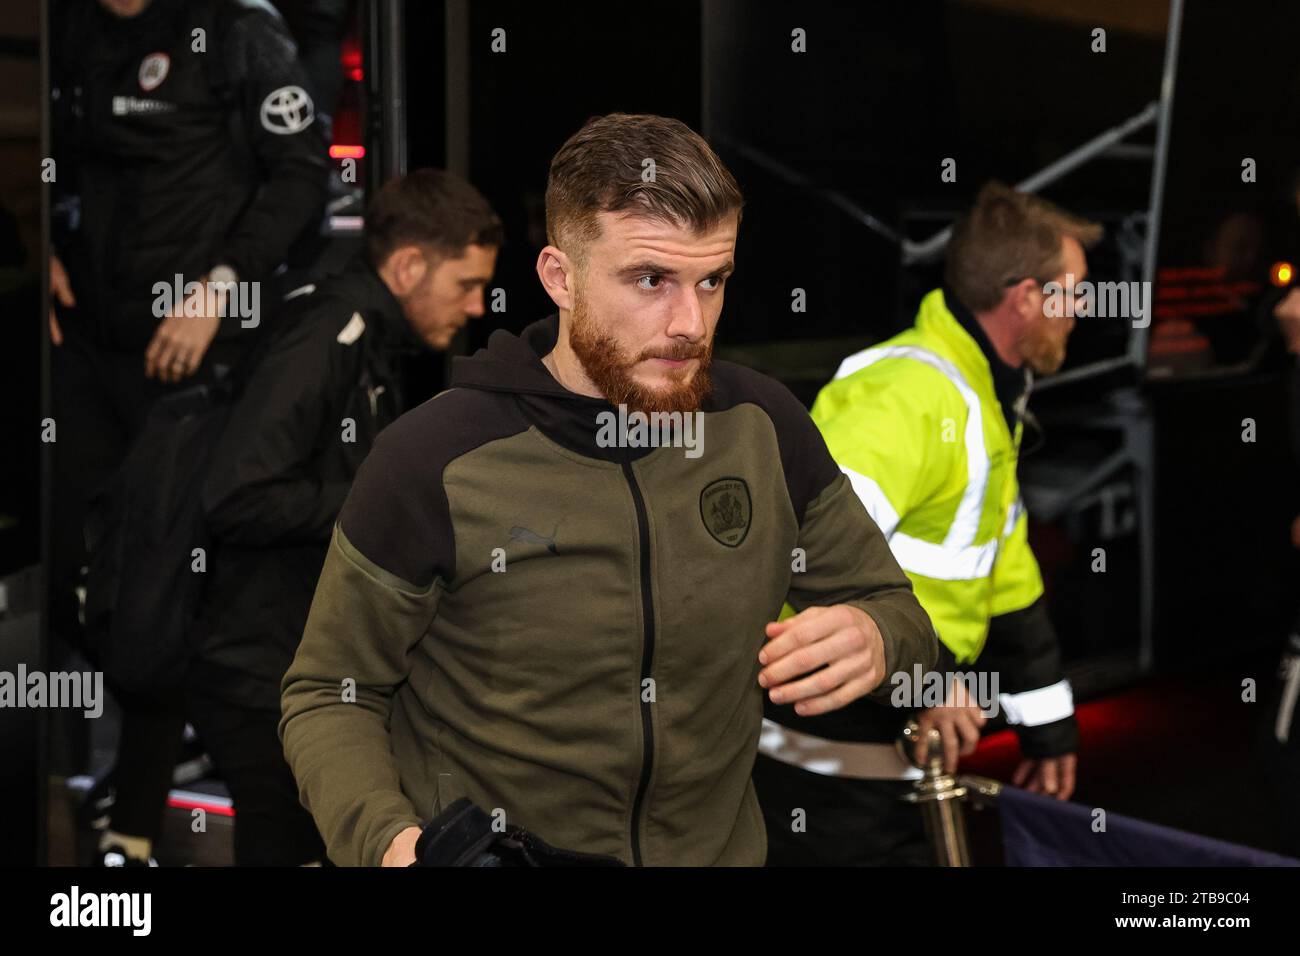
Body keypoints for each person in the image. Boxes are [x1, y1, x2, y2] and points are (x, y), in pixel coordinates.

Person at [279, 112, 939, 867]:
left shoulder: (764, 429)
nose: (689, 322)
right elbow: (332, 692)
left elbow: (901, 613)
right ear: (561, 277)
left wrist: (878, 637)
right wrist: (395, 847)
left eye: (712, 281)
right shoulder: (435, 459)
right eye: (651, 280)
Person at [49, 0, 328, 865]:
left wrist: (219, 287)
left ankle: (136, 823)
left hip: (194, 355)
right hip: (90, 345)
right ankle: (133, 774)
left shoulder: (236, 26)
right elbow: (63, 159)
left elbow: (301, 173)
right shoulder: (74, 27)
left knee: (157, 590)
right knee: (66, 574)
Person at [754, 181, 1099, 865]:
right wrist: (924, 684)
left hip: (895, 757)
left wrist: (1046, 723)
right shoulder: (907, 395)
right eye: (1074, 290)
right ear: (1026, 297)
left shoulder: (981, 388)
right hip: (831, 778)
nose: (1084, 309)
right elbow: (797, 559)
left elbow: (998, 570)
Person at [184, 169, 500, 866]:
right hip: (255, 665)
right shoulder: (328, 332)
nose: (478, 306)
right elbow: (236, 492)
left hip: (282, 653)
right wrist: (374, 508)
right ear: (410, 264)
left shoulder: (365, 336)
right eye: (465, 285)